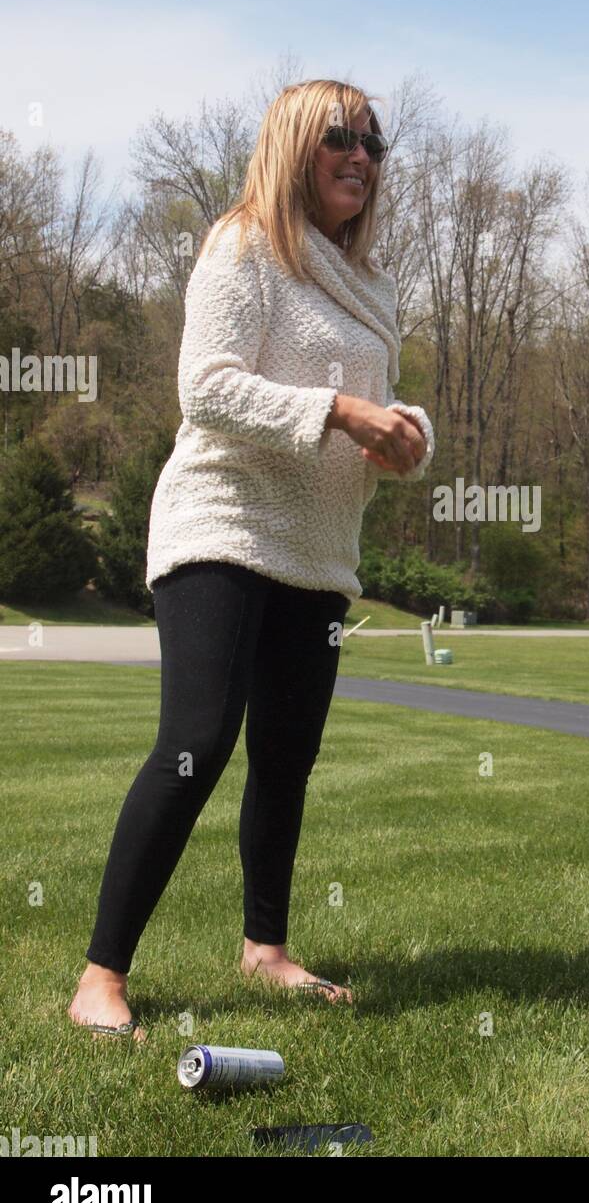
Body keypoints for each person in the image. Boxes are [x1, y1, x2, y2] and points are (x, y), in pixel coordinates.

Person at [68, 80, 434, 1040]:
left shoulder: (374, 289)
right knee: (195, 748)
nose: (360, 156)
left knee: (286, 760)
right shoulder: (244, 244)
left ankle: (266, 949)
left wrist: (403, 434)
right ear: (290, 149)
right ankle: (100, 977)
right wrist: (338, 413)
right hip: (221, 526)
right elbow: (207, 387)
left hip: (318, 554)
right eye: (337, 139)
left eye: (373, 143)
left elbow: (374, 403)